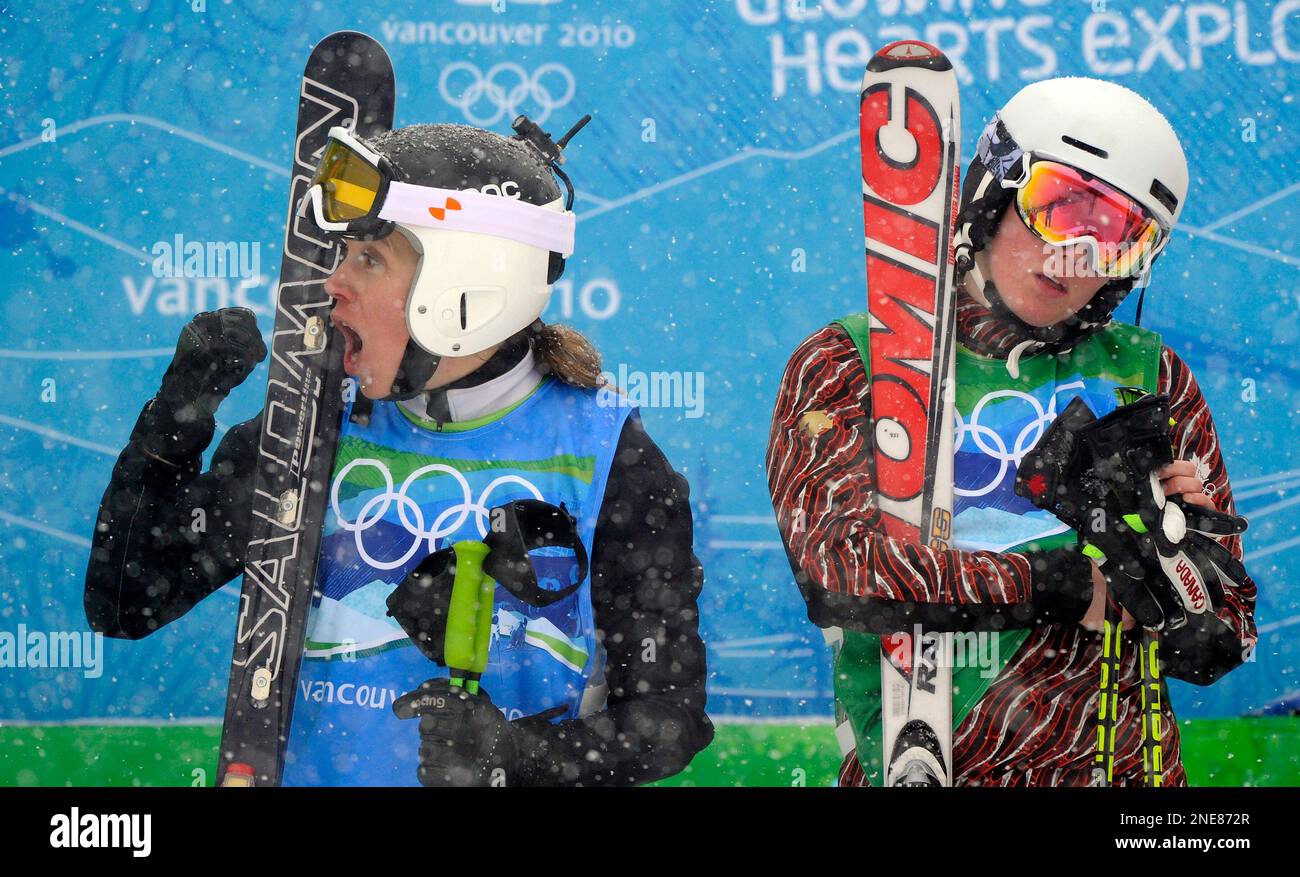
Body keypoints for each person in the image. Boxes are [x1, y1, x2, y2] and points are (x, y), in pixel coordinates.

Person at [85, 118, 713, 786]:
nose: (334, 283)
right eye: (343, 252)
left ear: (468, 288)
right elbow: (125, 599)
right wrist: (177, 419)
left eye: (371, 258)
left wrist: (518, 757)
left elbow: (668, 717)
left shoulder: (607, 451)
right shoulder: (310, 425)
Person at [766, 77, 1257, 787]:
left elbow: (1222, 642)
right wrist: (1064, 585)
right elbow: (841, 573)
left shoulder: (1150, 377)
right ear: (994, 192)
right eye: (1061, 206)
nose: (1077, 253)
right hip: (927, 762)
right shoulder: (847, 362)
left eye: (1117, 235)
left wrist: (1174, 563)